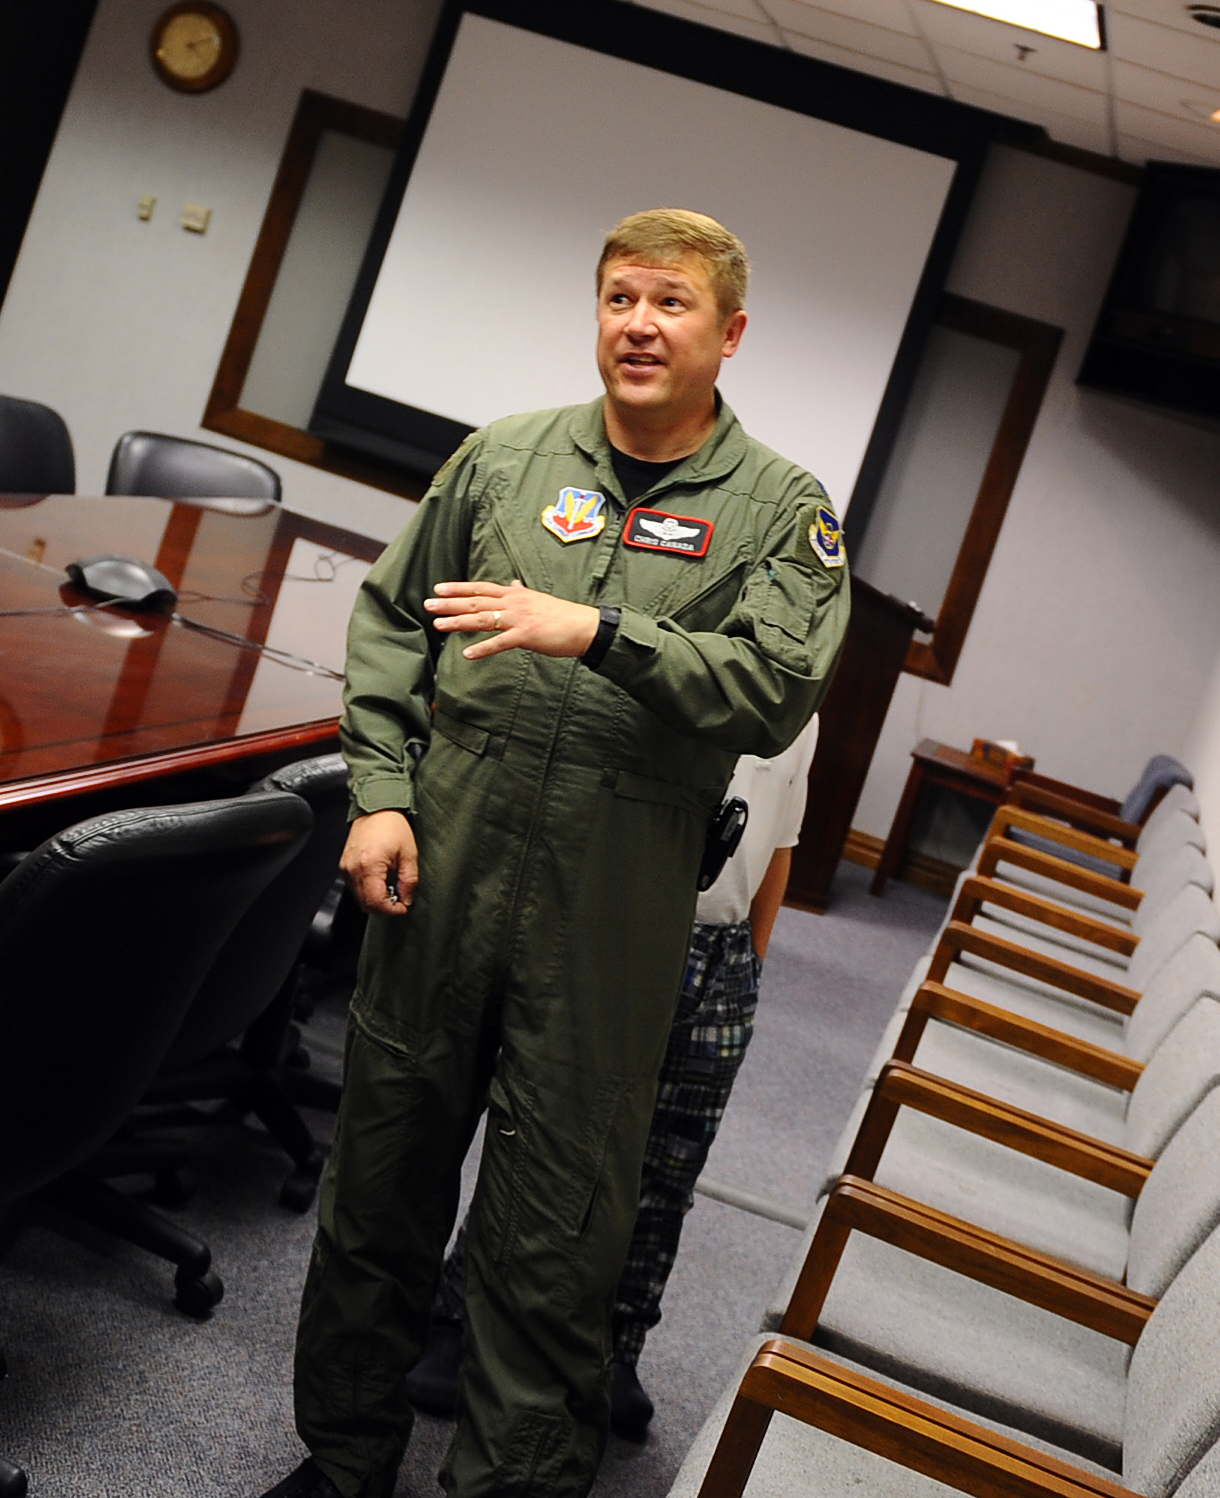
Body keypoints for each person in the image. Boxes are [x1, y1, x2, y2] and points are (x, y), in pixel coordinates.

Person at [271, 210, 851, 1498]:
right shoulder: (505, 458)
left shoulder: (783, 509)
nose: (639, 324)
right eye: (620, 297)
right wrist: (380, 795)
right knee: (379, 1190)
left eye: (671, 303)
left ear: (729, 334)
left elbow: (774, 687)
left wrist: (596, 630)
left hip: (611, 910)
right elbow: (392, 623)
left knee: (554, 1232)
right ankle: (343, 1458)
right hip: (445, 873)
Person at [405, 721, 817, 1439]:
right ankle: (457, 1316)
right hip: (622, 927)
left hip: (722, 960)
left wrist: (751, 962)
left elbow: (781, 840)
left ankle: (617, 1347)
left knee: (669, 1168)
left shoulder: (799, 709)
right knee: (545, 1137)